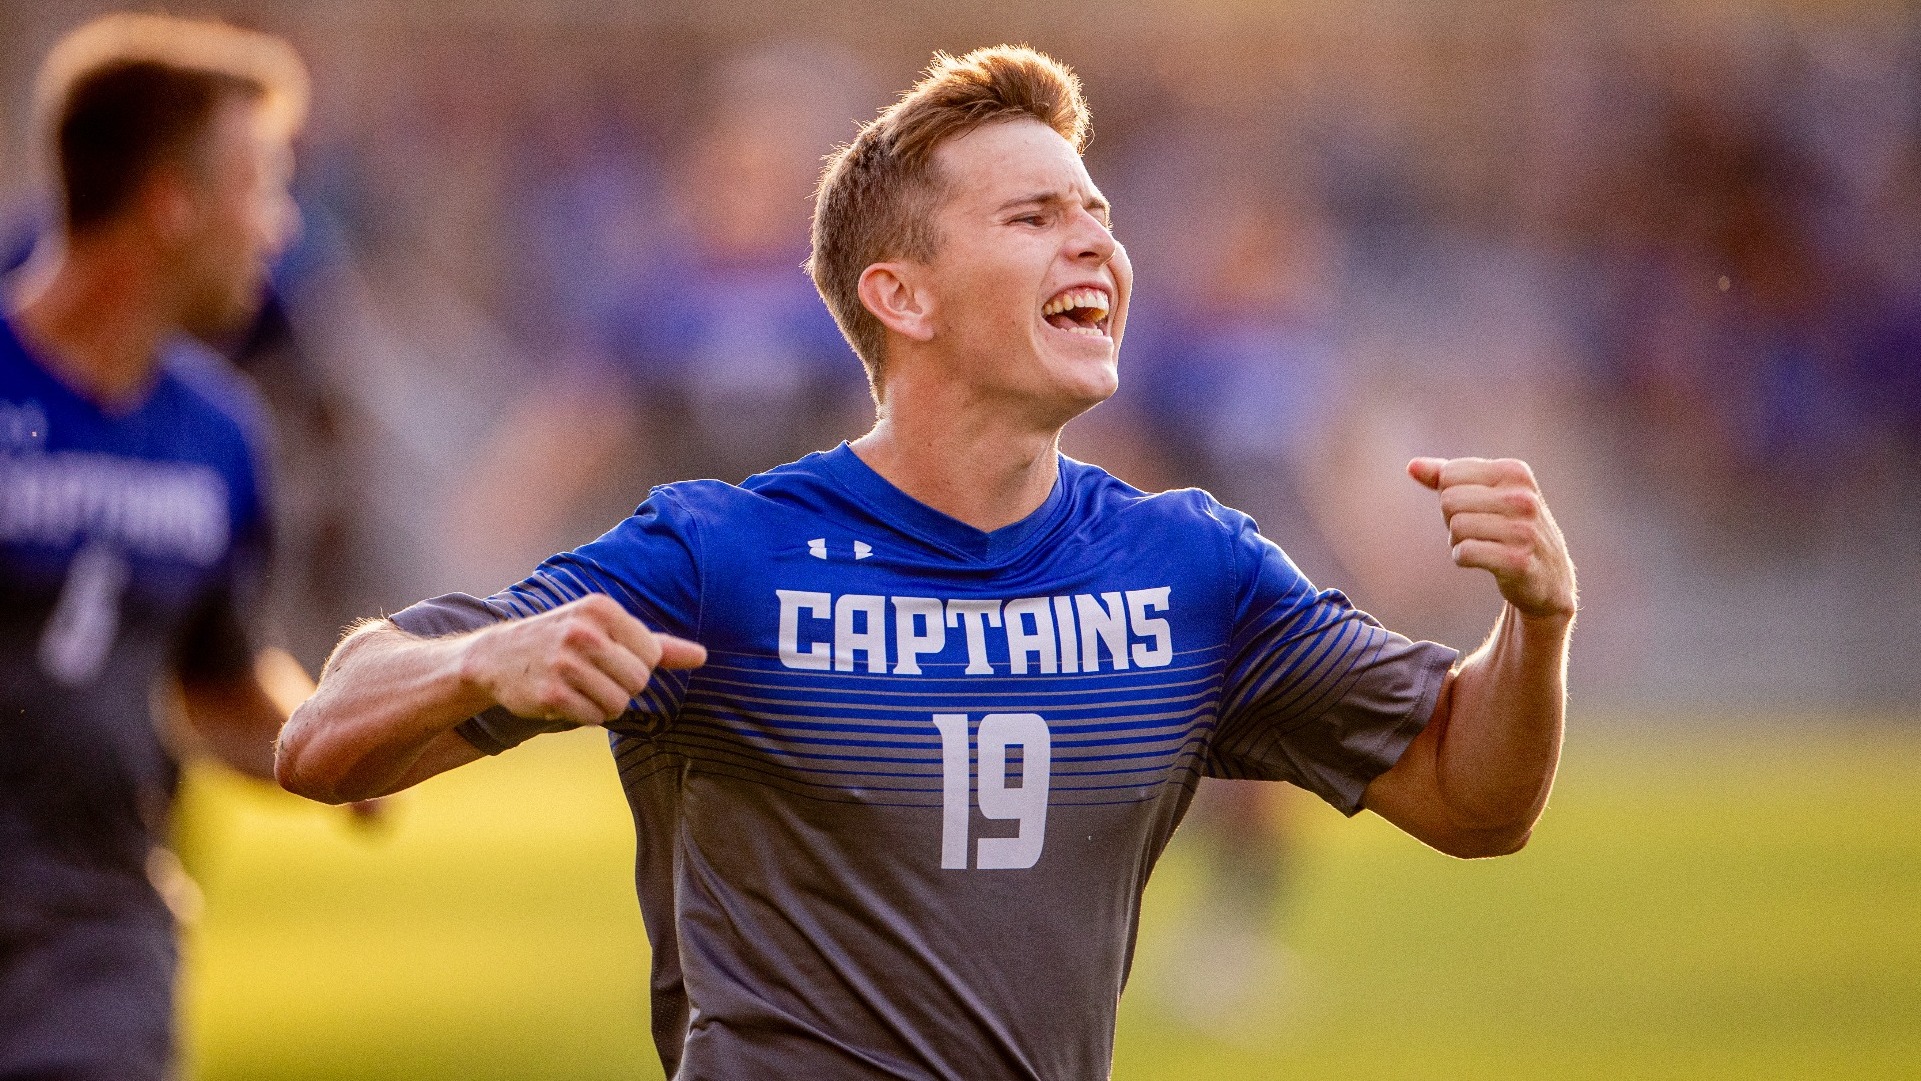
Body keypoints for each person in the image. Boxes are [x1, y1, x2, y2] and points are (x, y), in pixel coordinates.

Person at [279, 46, 1577, 1081]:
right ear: (901, 295)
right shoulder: (720, 555)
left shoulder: (1195, 567)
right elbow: (325, 737)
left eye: (1097, 213)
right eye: (1034, 216)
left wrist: (1534, 624)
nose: (1095, 243)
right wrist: (476, 661)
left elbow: (1474, 800)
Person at [0, 15, 313, 1080]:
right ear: (172, 204)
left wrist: (374, 722)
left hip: (96, 939)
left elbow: (218, 690)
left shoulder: (220, 436)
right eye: (262, 186)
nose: (278, 228)